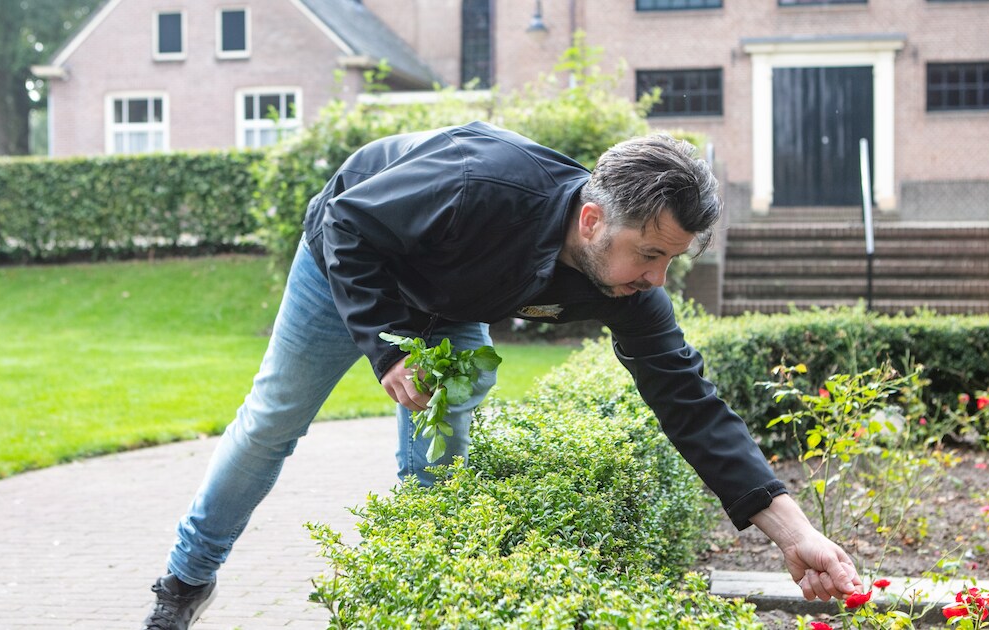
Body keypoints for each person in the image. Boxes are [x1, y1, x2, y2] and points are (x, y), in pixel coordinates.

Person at [141, 121, 863, 629]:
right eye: (649, 254)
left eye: (671, 260)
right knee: (274, 421)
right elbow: (350, 223)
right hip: (354, 256)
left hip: (456, 290)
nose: (657, 277)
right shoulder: (482, 186)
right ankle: (184, 582)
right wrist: (386, 349)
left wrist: (794, 534)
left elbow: (690, 404)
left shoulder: (630, 281)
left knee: (440, 451)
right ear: (590, 221)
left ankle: (420, 602)